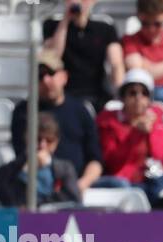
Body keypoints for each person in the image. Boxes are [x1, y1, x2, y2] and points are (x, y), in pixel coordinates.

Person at [11, 51, 119, 195]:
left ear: (64, 77)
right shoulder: (24, 111)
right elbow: (23, 155)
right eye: (40, 76)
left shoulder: (81, 110)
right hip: (39, 184)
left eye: (51, 73)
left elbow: (95, 159)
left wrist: (81, 184)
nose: (46, 80)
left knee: (119, 185)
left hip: (82, 184)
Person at [97, 68, 163, 202]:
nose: (138, 98)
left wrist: (150, 133)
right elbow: (111, 161)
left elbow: (161, 155)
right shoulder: (108, 122)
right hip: (123, 179)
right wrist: (134, 133)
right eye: (132, 93)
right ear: (123, 97)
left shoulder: (158, 118)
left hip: (153, 177)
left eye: (144, 93)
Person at [42, 0, 125, 112]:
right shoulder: (52, 26)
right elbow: (52, 57)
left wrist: (120, 94)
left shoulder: (105, 29)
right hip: (64, 94)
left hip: (97, 95)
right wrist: (65, 21)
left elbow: (116, 64)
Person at [0, 113, 83, 207]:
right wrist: (26, 171)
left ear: (56, 142)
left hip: (54, 220)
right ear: (27, 137)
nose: (42, 145)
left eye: (49, 140)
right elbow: (9, 200)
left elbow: (73, 198)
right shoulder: (6, 171)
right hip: (21, 220)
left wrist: (40, 206)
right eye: (38, 139)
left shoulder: (65, 169)